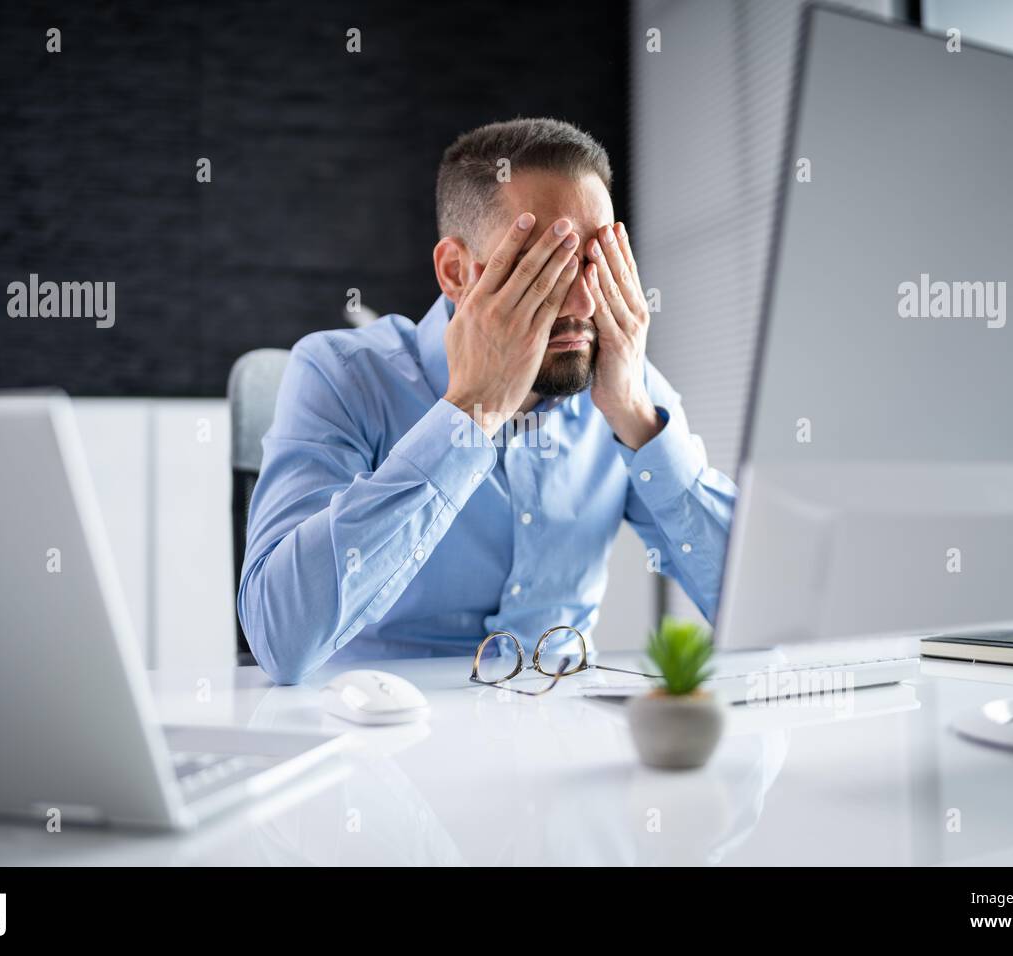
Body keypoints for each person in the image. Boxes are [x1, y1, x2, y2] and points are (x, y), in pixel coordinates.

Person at [239, 117, 736, 683]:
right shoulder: (341, 374)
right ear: (457, 271)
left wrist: (636, 417)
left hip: (564, 742)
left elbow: (758, 607)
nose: (580, 302)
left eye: (595, 262)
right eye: (544, 266)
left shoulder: (623, 379)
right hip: (382, 741)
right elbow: (279, 640)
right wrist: (470, 412)